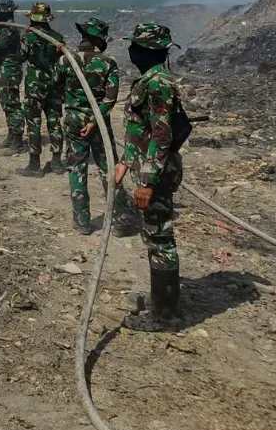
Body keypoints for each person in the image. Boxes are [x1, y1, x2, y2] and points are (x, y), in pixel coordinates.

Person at [117, 22, 184, 325]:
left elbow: (161, 135)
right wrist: (124, 161)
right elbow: (139, 130)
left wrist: (146, 182)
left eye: (135, 46)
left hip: (153, 172)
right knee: (153, 235)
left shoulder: (158, 83)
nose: (130, 50)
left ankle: (164, 316)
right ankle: (160, 303)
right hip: (144, 167)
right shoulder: (148, 79)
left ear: (148, 50)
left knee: (160, 238)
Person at [58, 17, 132, 233]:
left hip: (73, 120)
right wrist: (93, 121)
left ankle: (82, 220)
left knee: (76, 168)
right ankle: (119, 221)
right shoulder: (108, 63)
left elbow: (56, 84)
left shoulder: (66, 61)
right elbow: (110, 99)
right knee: (108, 168)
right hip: (99, 122)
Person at [19, 2, 65, 176]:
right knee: (54, 122)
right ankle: (56, 161)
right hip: (53, 85)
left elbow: (21, 57)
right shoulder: (58, 38)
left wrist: (26, 37)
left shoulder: (29, 37)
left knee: (33, 123)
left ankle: (34, 164)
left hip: (34, 87)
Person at [0, 0, 24, 150]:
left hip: (9, 71)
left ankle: (17, 140)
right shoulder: (5, 27)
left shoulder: (9, 29)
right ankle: (11, 134)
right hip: (4, 70)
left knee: (12, 104)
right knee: (6, 104)